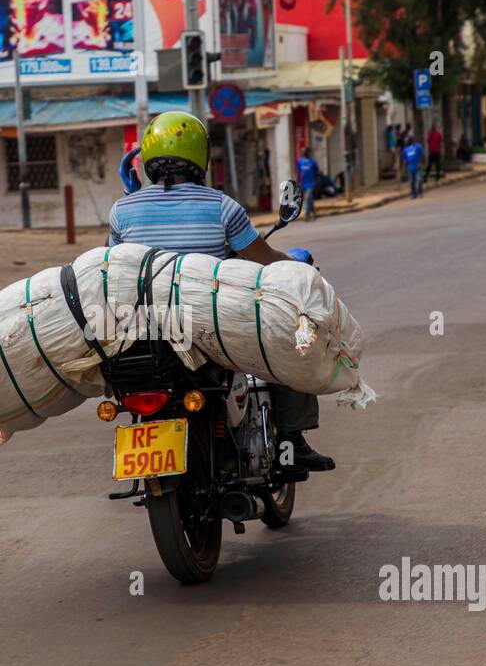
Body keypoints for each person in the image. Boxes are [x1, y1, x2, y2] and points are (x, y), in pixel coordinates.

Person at [108, 110, 334, 471]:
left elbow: (114, 266)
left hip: (144, 329)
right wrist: (295, 265)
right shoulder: (221, 206)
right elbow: (265, 258)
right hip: (210, 324)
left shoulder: (122, 211)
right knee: (288, 339)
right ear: (201, 155)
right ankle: (293, 439)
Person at [296, 147, 319, 221]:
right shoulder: (300, 161)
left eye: (305, 151)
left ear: (309, 152)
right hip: (303, 183)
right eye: (303, 152)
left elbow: (316, 172)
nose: (304, 153)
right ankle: (313, 213)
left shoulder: (313, 162)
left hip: (311, 183)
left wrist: (316, 182)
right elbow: (299, 172)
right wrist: (298, 182)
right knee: (310, 199)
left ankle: (307, 215)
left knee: (307, 197)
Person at [402, 132, 425, 198]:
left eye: (409, 140)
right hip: (410, 168)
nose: (407, 141)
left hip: (417, 166)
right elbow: (405, 159)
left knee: (419, 180)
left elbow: (422, 155)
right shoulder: (406, 149)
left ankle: (420, 192)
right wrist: (403, 168)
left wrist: (423, 163)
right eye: (407, 140)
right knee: (411, 182)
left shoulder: (418, 146)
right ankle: (413, 193)